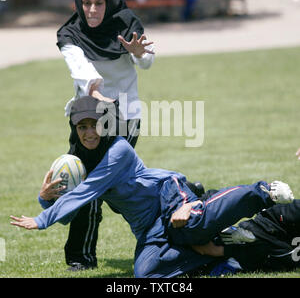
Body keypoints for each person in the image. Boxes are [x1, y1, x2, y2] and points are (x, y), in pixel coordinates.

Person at [11, 96, 295, 278]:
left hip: (168, 196)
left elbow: (88, 192)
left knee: (187, 225)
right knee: (146, 274)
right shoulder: (81, 163)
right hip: (149, 228)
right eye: (81, 127)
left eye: (93, 124)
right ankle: (225, 246)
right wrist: (45, 199)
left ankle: (261, 192)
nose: (88, 132)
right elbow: (75, 212)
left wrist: (41, 220)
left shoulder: (118, 150)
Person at [54, 0, 155, 270]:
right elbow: (78, 66)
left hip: (124, 117)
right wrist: (94, 89)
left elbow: (147, 60)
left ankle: (168, 204)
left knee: (112, 189)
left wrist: (139, 54)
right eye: (86, 3)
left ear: (108, 2)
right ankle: (80, 258)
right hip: (87, 115)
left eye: (98, 3)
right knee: (86, 185)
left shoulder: (126, 24)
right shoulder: (70, 32)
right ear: (79, 4)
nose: (92, 9)